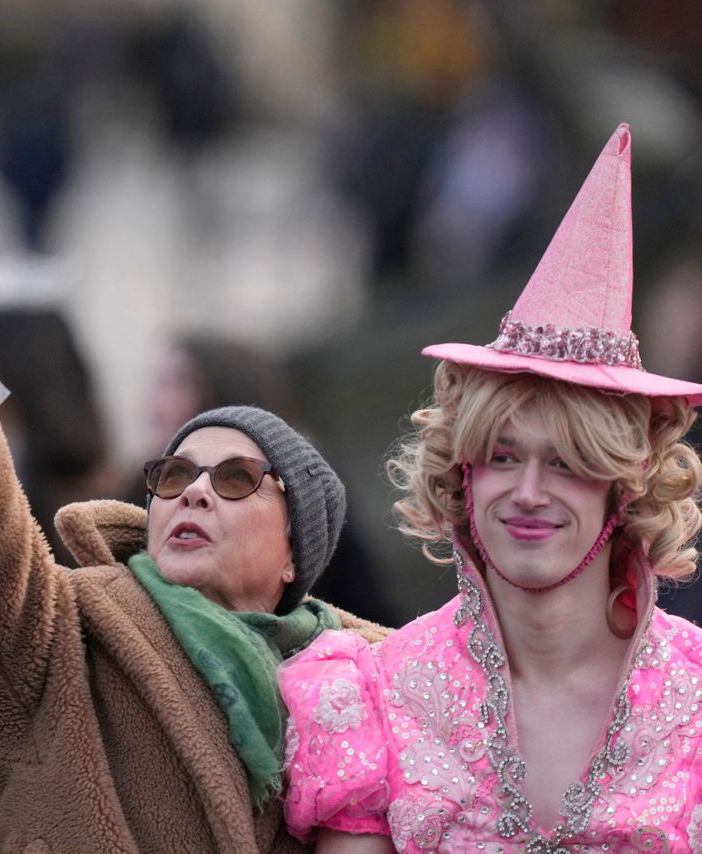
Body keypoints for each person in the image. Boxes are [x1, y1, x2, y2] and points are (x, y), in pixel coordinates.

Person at [0, 259, 389, 852]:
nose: (194, 490)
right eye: (176, 473)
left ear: (296, 553)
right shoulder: (67, 628)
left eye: (236, 479)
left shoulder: (379, 682)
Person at [278, 124, 702, 851]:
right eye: (502, 457)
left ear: (622, 489)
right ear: (462, 475)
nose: (529, 491)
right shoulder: (374, 692)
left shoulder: (696, 695)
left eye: (567, 462)